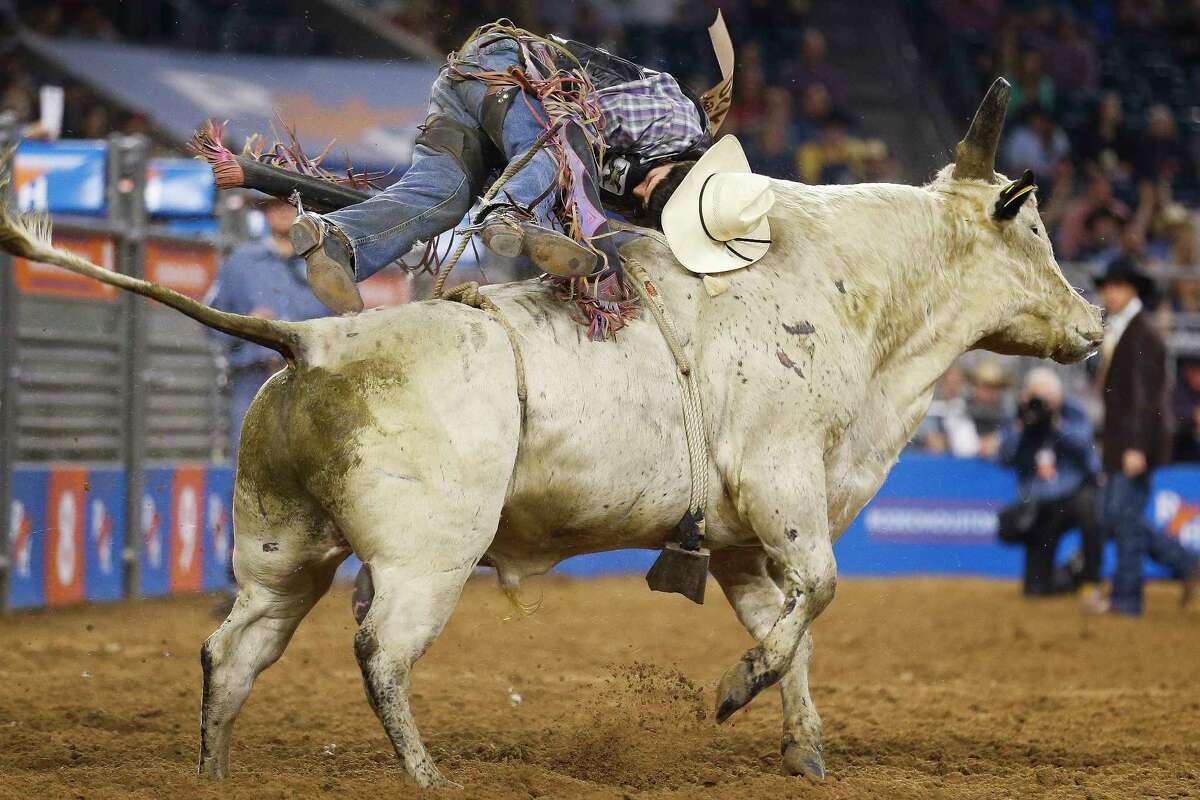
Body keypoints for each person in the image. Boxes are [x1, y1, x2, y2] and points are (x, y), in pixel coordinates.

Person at [289, 21, 716, 328]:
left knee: (443, 197)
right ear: (686, 164)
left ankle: (340, 240)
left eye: (643, 197)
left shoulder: (645, 202)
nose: (637, 186)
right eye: (652, 179)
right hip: (508, 71)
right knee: (561, 150)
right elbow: (568, 122)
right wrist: (603, 270)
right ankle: (513, 213)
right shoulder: (676, 120)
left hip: (468, 97)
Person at [1092, 255, 1200, 614]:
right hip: (1123, 444)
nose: (1108, 294)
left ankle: (1126, 598)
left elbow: (1145, 398)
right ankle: (1185, 563)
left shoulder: (1141, 332)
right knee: (1121, 517)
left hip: (1132, 445)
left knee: (1122, 517)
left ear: (1129, 289)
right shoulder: (1131, 328)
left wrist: (1137, 446)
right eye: (1107, 287)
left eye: (1114, 286)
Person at [206, 197, 333, 458]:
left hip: (309, 384)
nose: (281, 211)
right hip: (253, 380)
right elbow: (210, 320)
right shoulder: (239, 264)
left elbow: (346, 325)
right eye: (273, 204)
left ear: (302, 212)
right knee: (249, 465)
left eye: (288, 203)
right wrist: (242, 325)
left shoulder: (324, 266)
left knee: (308, 464)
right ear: (264, 211)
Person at [997, 368, 1103, 596]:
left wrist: (1056, 422)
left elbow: (1084, 446)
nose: (1041, 404)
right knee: (1036, 590)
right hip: (1040, 504)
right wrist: (1023, 423)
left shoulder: (1071, 411)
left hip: (1071, 496)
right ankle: (1070, 573)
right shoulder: (1019, 417)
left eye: (1047, 398)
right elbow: (1005, 456)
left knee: (1090, 508)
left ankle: (1091, 577)